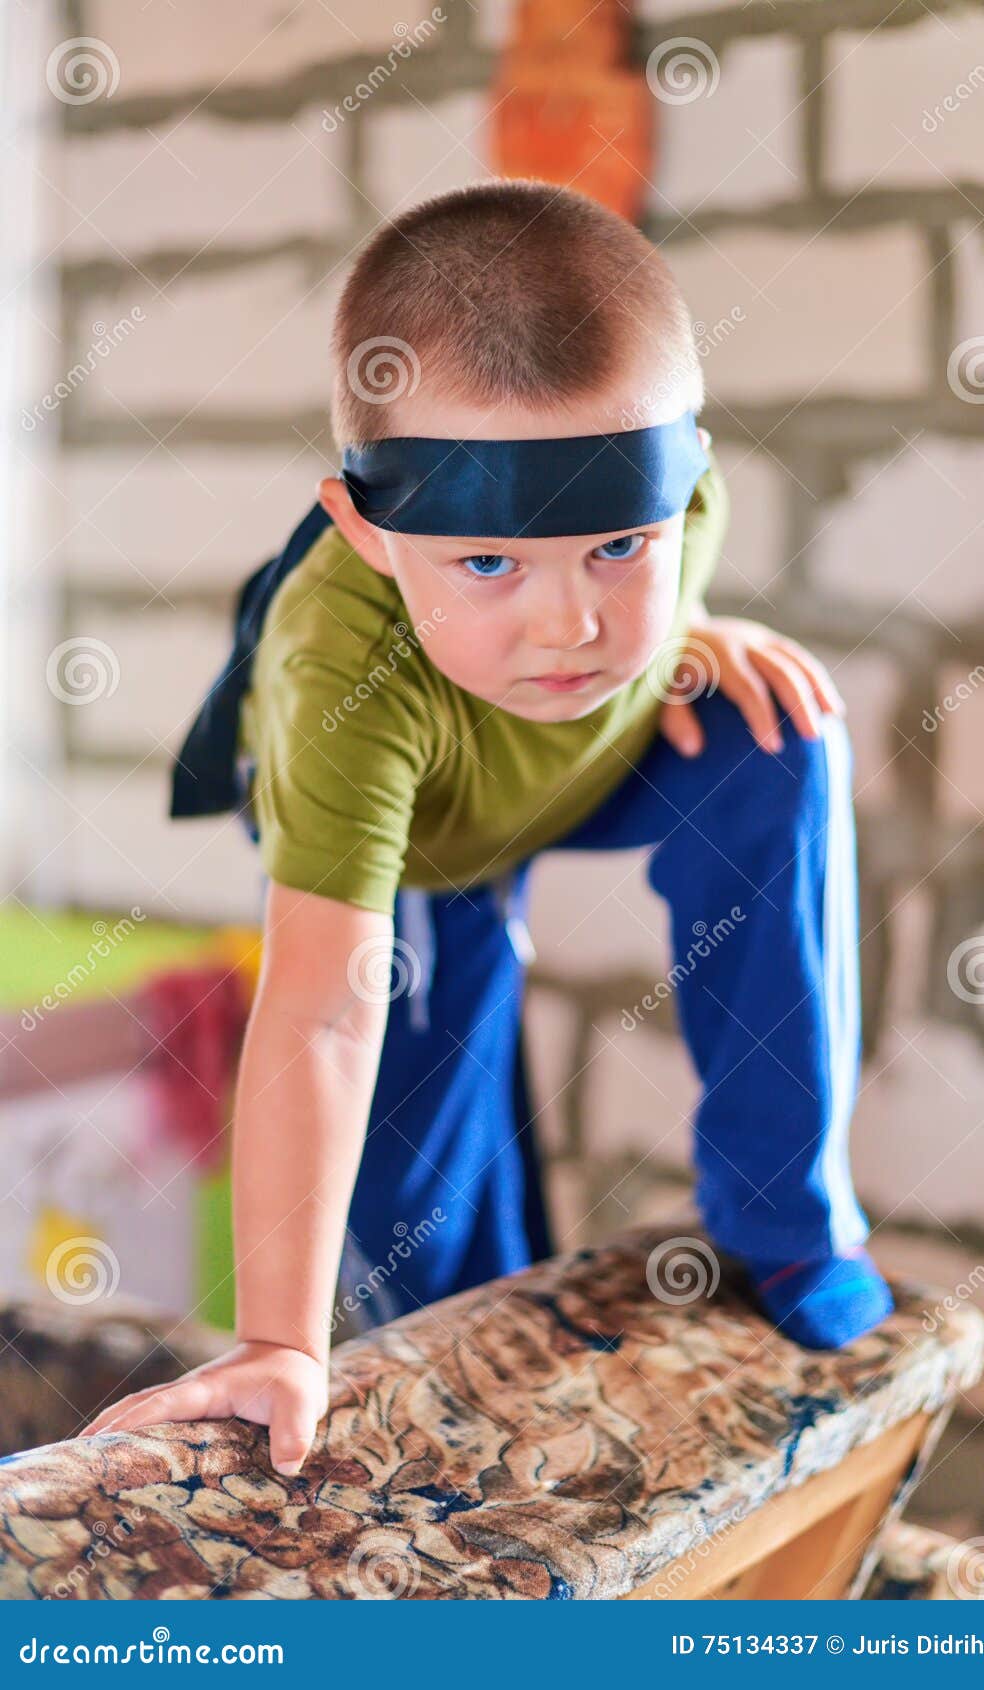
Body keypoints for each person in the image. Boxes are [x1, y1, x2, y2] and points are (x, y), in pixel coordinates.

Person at [76, 179, 892, 1478]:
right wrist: (279, 1338)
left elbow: (636, 586)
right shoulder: (338, 680)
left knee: (781, 729)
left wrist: (686, 634)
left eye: (620, 543)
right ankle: (458, 1371)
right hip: (423, 857)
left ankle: (787, 1212)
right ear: (369, 527)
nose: (568, 626)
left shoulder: (682, 509)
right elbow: (319, 1014)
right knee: (432, 1210)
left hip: (593, 762)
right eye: (492, 565)